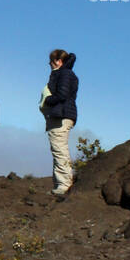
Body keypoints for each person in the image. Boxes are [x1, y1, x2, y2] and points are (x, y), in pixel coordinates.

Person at [40, 49, 78, 197]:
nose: (49, 64)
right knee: (58, 150)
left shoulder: (64, 74)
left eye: (51, 61)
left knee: (60, 150)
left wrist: (47, 100)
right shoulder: (66, 74)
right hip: (62, 115)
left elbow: (62, 94)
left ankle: (64, 186)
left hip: (61, 116)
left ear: (58, 61)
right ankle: (59, 184)